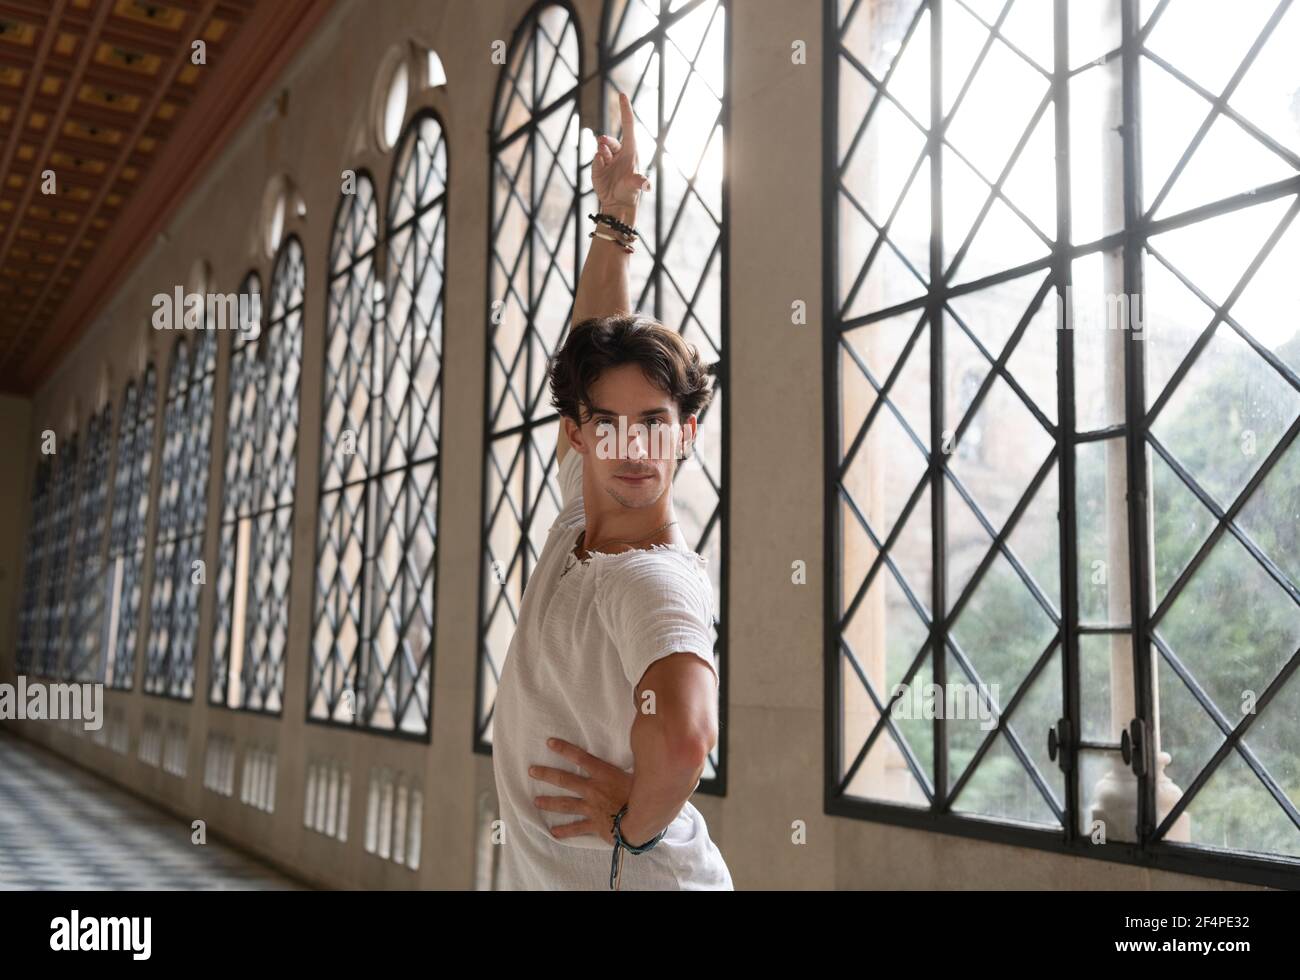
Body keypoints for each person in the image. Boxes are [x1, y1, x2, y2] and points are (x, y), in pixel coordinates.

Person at [491, 90, 732, 890]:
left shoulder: (650, 578)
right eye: (610, 424)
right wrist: (615, 220)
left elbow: (688, 735)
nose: (633, 447)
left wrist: (634, 826)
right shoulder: (581, 521)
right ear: (577, 434)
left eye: (655, 423)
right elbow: (589, 345)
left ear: (686, 434)